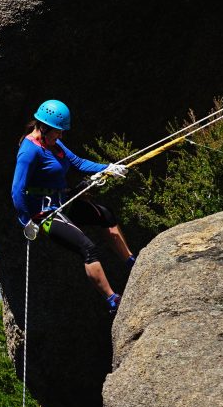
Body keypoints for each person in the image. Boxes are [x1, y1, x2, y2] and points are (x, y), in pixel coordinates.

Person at [12, 99, 134, 315]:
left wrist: (108, 168)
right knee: (87, 248)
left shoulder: (54, 144)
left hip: (62, 201)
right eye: (57, 132)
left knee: (105, 216)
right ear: (44, 127)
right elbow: (17, 190)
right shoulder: (29, 152)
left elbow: (77, 162)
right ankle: (112, 299)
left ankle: (131, 262)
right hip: (45, 213)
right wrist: (27, 221)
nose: (60, 136)